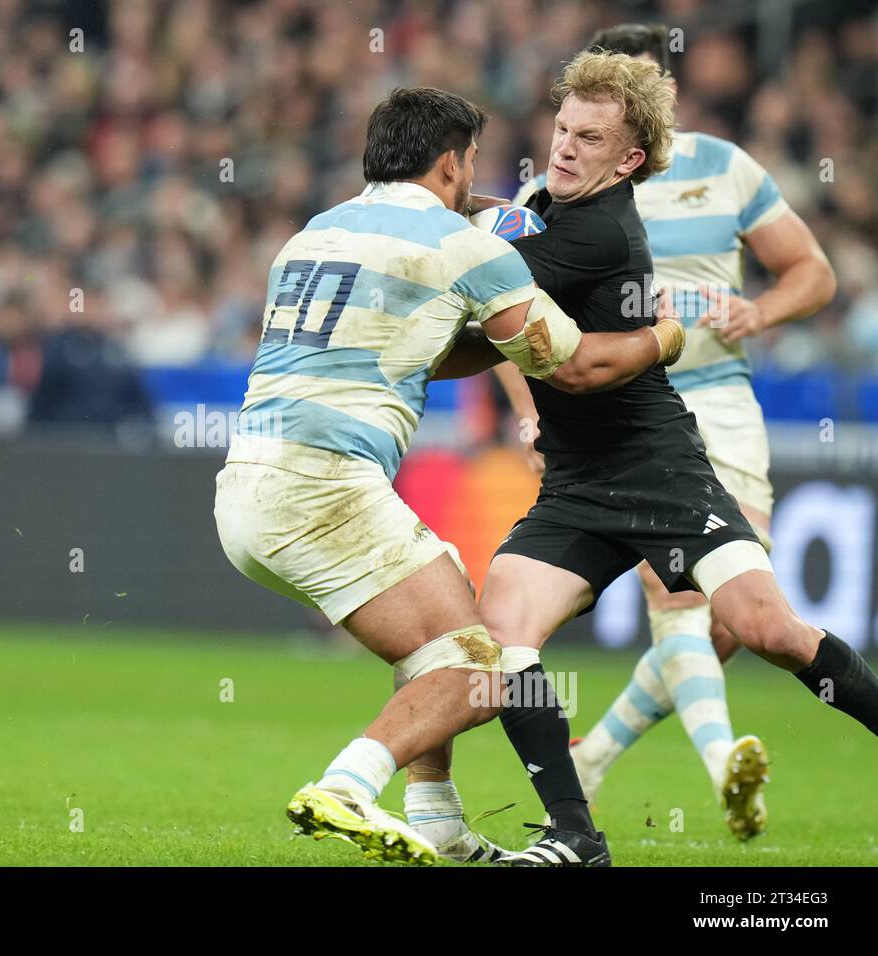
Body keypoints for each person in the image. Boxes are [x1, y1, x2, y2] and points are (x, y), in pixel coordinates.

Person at [213, 85, 685, 865]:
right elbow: (569, 365)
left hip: (245, 486)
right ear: (449, 161)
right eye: (469, 161)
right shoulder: (462, 247)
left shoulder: (311, 234)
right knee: (482, 668)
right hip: (324, 487)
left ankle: (435, 816)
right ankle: (346, 785)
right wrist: (665, 335)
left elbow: (418, 330)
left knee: (442, 630)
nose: (473, 175)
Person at [505, 23, 838, 841]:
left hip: (715, 399)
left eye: (645, 88)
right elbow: (503, 313)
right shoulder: (552, 195)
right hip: (609, 425)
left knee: (741, 625)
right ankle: (718, 756)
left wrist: (757, 309)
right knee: (676, 597)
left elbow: (815, 272)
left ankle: (595, 758)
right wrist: (526, 410)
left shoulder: (725, 168)